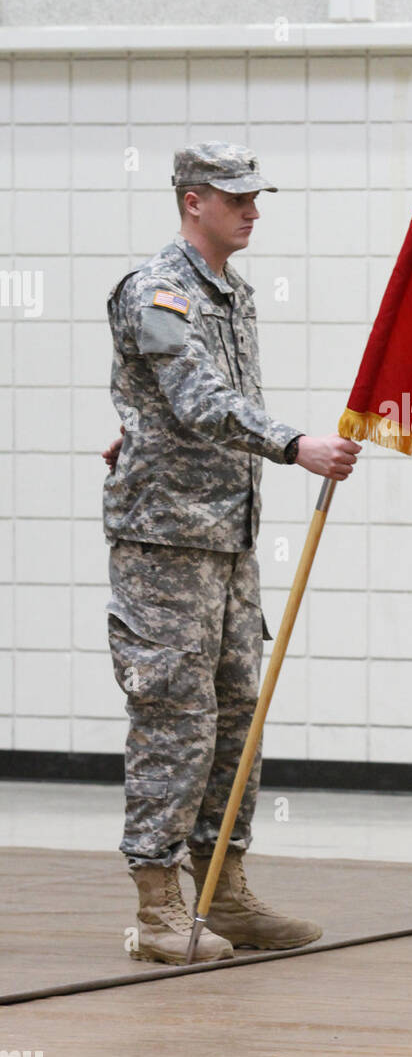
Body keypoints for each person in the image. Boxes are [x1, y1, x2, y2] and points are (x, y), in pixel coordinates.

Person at [102, 141, 361, 965]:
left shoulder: (231, 291)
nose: (252, 210)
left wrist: (139, 433)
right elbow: (194, 398)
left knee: (234, 721)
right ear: (192, 202)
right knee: (174, 718)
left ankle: (224, 888)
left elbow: (171, 406)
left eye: (256, 196)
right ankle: (156, 909)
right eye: (235, 197)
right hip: (165, 543)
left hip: (223, 537)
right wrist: (293, 445)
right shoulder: (159, 289)